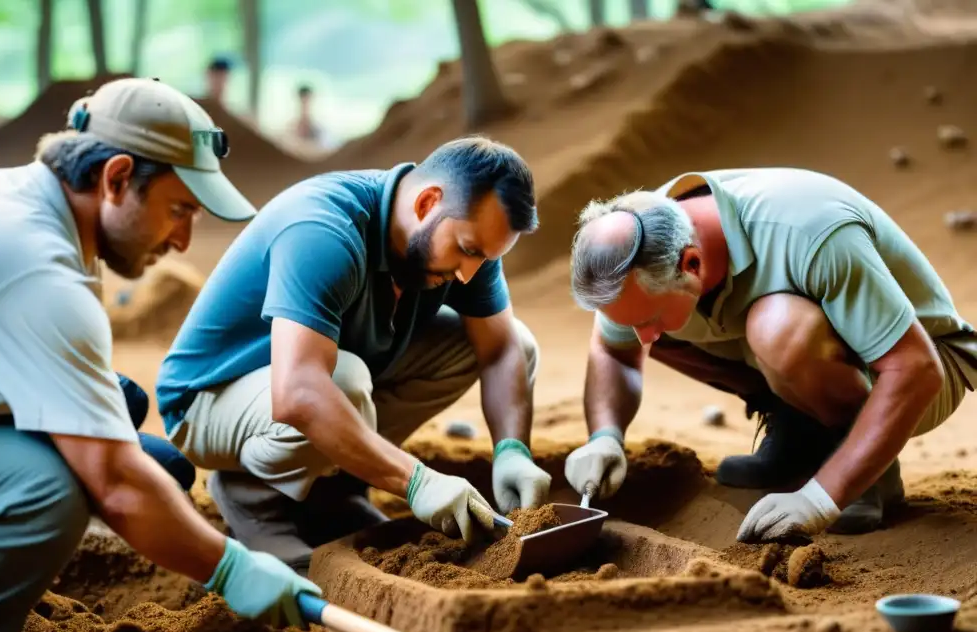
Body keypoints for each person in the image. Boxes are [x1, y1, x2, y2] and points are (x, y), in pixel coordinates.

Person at [0, 76, 322, 632]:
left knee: (131, 426)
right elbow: (119, 488)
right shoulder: (40, 272)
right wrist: (231, 567)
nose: (182, 241)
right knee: (46, 490)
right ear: (117, 178)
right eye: (179, 210)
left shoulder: (24, 202)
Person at [155, 136, 550, 573]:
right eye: (468, 249)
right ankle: (254, 496)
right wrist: (415, 481)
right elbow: (298, 393)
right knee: (342, 380)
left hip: (320, 373)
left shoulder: (465, 241)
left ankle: (333, 493)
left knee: (517, 340)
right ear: (427, 203)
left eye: (485, 257)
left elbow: (500, 350)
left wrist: (512, 450)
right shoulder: (323, 230)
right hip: (210, 401)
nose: (468, 272)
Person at [565, 167, 977, 542]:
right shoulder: (637, 246)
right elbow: (613, 350)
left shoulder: (810, 232)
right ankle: (799, 431)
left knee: (777, 328)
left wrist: (821, 496)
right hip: (806, 361)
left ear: (691, 264)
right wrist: (605, 436)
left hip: (922, 368)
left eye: (650, 317)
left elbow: (915, 368)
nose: (644, 337)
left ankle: (862, 469)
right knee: (731, 330)